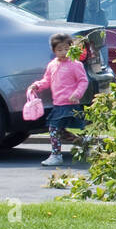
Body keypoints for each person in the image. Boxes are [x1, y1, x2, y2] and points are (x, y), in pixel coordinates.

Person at [27, 34, 89, 167]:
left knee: (54, 128)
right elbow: (47, 80)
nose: (63, 53)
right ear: (54, 51)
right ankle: (83, 142)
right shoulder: (52, 65)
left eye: (66, 49)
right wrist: (37, 85)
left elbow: (83, 81)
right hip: (58, 103)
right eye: (59, 50)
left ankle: (56, 155)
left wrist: (77, 94)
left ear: (71, 48)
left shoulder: (75, 64)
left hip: (70, 103)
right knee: (60, 131)